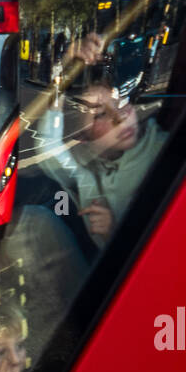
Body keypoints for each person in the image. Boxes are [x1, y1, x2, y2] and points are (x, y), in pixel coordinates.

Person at [68, 79, 166, 247]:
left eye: (122, 102)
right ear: (81, 136)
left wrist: (116, 234)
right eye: (100, 114)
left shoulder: (164, 155)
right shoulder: (84, 166)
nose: (119, 117)